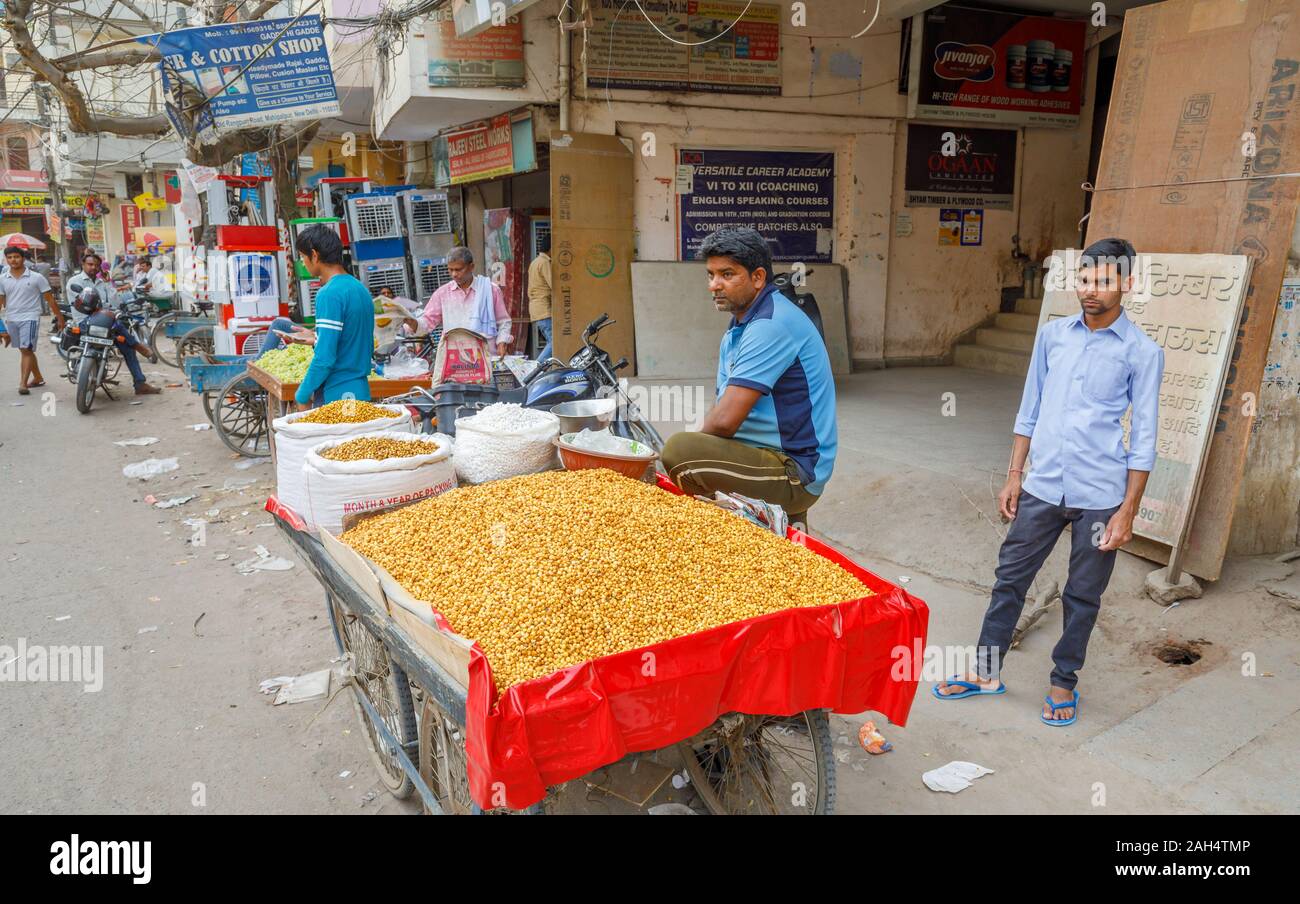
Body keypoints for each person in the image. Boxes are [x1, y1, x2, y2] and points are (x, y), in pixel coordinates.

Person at [934, 238, 1164, 726]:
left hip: (1101, 495)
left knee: (1082, 595)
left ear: (1127, 283)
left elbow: (1144, 439)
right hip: (1043, 485)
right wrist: (1015, 475)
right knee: (1009, 578)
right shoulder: (1054, 336)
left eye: (1103, 281)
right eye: (1084, 279)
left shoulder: (1143, 352)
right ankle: (985, 671)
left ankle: (1064, 682)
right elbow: (1029, 410)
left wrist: (1127, 512)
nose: (1090, 289)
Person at [659, 227, 837, 529]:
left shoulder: (770, 324)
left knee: (680, 452)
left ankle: (760, 520)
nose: (714, 285)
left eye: (727, 274)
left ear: (757, 278)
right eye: (711, 274)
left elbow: (726, 420)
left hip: (793, 471)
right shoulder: (747, 321)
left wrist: (700, 448)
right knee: (697, 444)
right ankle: (775, 526)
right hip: (764, 455)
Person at [293, 224, 373, 408]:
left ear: (314, 255)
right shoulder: (360, 289)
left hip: (338, 395)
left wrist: (302, 394)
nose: (303, 263)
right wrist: (316, 337)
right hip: (359, 390)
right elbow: (357, 341)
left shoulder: (329, 294)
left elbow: (324, 358)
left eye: (303, 257)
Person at [405, 246, 512, 356]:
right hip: (455, 359)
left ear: (471, 267)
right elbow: (427, 322)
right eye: (450, 269)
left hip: (486, 355)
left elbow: (503, 321)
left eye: (458, 269)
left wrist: (502, 342)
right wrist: (412, 322)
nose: (454, 274)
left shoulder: (491, 290)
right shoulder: (442, 293)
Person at [71, 286, 161, 395]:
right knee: (71, 335)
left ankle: (140, 383)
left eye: (95, 267)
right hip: (85, 321)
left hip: (104, 321)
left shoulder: (105, 283)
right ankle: (138, 346)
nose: (93, 267)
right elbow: (76, 307)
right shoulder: (78, 282)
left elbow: (116, 302)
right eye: (91, 266)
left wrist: (116, 312)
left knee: (123, 338)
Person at [0, 245, 65, 394]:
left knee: (26, 348)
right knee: (25, 351)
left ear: (23, 258)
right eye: (9, 257)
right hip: (11, 318)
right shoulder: (2, 279)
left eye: (16, 257)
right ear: (6, 260)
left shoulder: (36, 277)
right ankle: (38, 377)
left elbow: (50, 300)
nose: (13, 260)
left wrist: (60, 319)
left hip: (31, 317)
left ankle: (23, 383)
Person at [65, 251, 116, 319]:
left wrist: (108, 283)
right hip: (84, 321)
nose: (94, 267)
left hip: (103, 320)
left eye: (97, 265)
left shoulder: (102, 282)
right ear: (83, 265)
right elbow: (88, 305)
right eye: (90, 264)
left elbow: (115, 304)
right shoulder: (74, 281)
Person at [527, 234, 553, 361]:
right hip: (544, 309)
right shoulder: (544, 262)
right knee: (554, 343)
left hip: (536, 309)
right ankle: (536, 369)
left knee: (551, 342)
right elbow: (553, 284)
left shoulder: (535, 262)